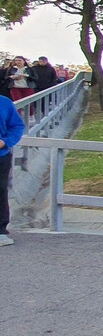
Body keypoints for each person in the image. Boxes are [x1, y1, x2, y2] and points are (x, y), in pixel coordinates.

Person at [0, 93, 25, 247]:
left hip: (1, 155)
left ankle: (1, 231)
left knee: (0, 190)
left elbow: (17, 126)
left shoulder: (4, 103)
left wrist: (6, 141)